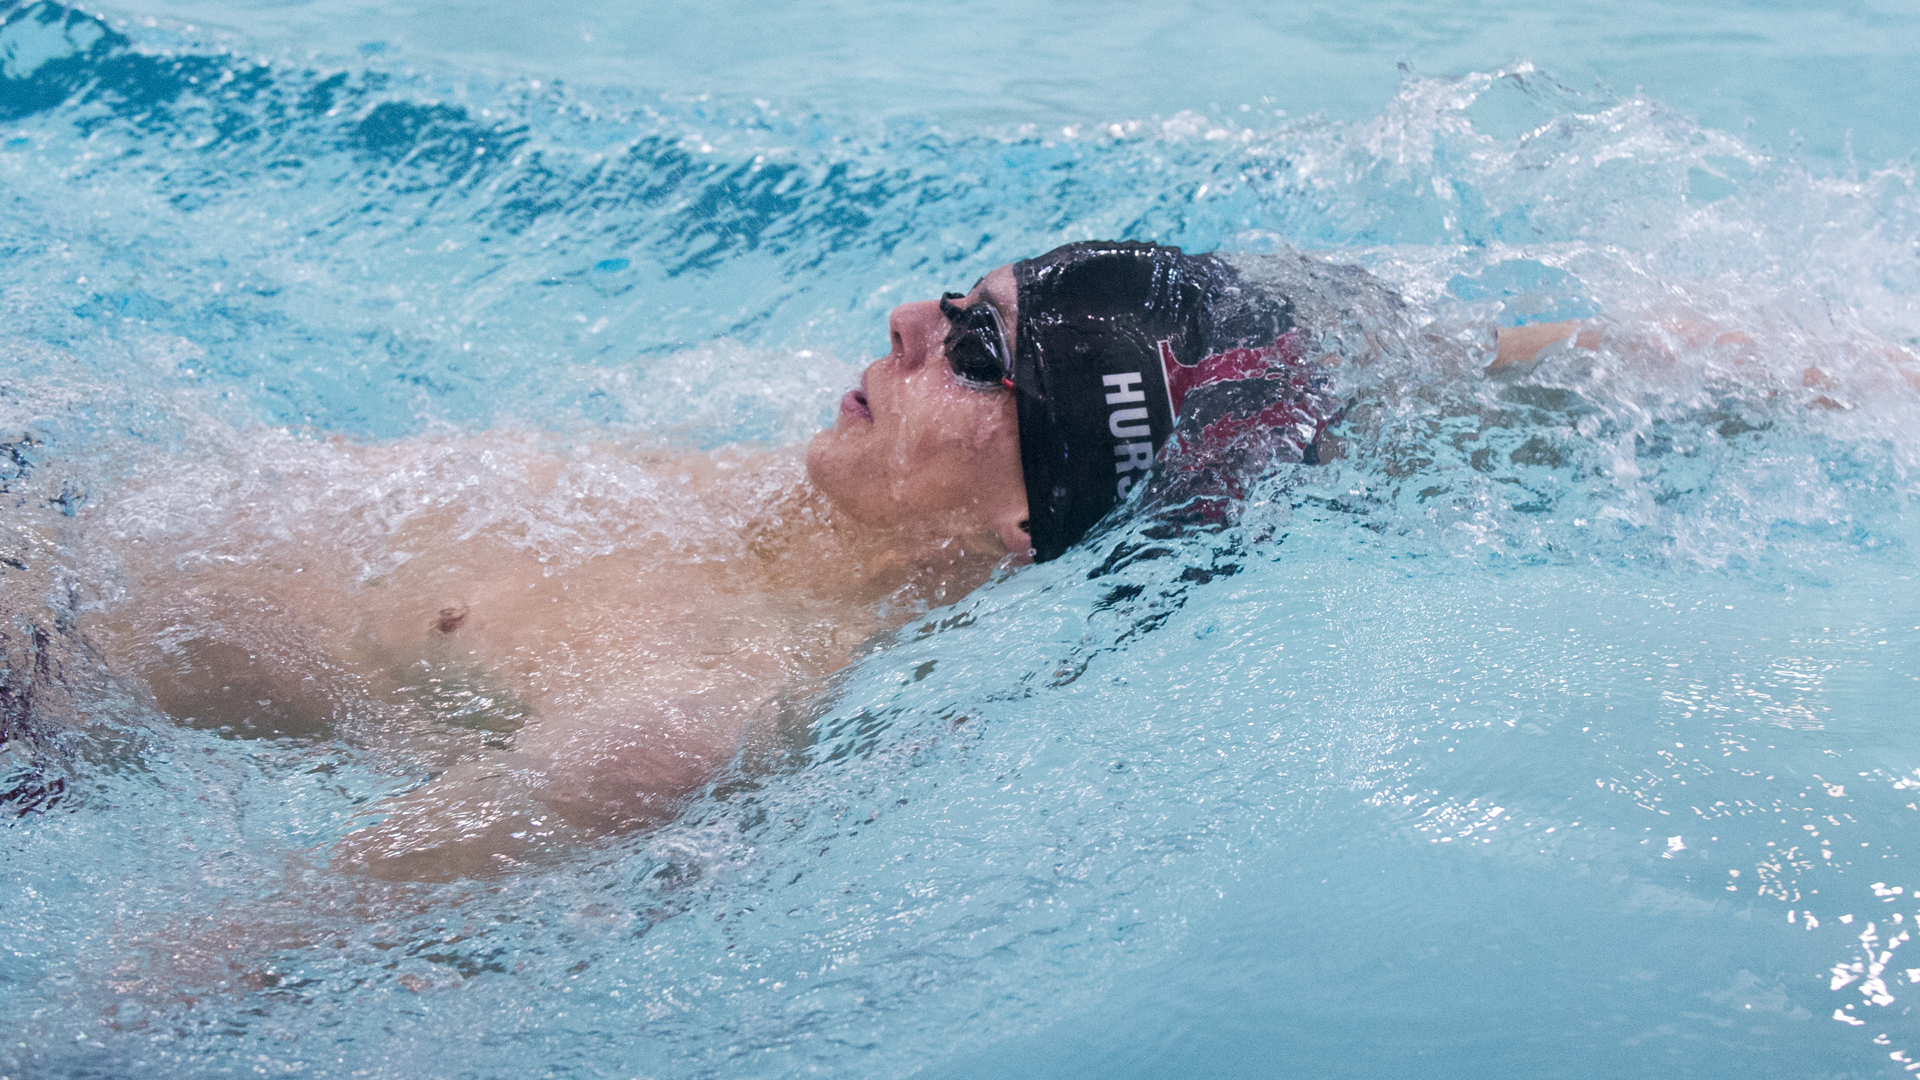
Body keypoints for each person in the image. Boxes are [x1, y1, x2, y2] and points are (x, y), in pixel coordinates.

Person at [92, 240, 1663, 880]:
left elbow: (222, 975)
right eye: (962, 302)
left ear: (1027, 526)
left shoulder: (673, 720)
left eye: (977, 352)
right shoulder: (804, 494)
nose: (913, 319)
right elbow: (1419, 377)